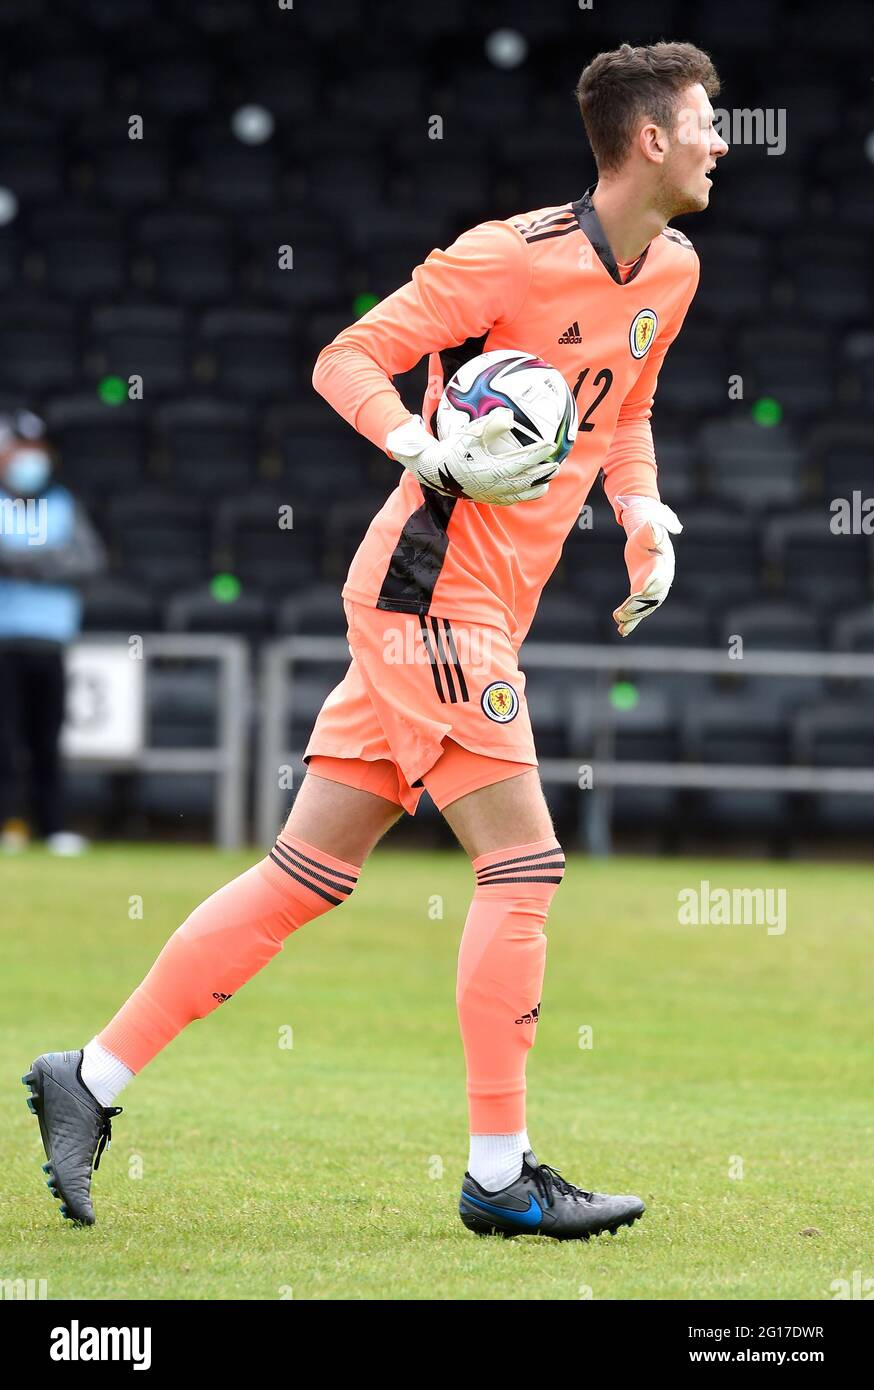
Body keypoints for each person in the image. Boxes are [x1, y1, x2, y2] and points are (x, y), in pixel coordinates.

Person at [23, 41, 728, 1237]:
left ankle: (86, 1077)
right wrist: (422, 447)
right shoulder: (505, 255)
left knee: (304, 875)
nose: (722, 142)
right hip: (428, 596)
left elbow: (628, 410)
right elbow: (345, 356)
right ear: (649, 138)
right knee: (523, 866)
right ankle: (498, 1174)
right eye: (707, 121)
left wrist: (641, 517)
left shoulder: (675, 268)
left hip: (476, 607)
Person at [0, 410, 106, 856]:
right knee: (5, 740)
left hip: (50, 643)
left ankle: (52, 826)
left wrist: (23, 563)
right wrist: (48, 559)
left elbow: (89, 560)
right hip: (4, 643)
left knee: (47, 740)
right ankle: (9, 824)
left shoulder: (63, 503)